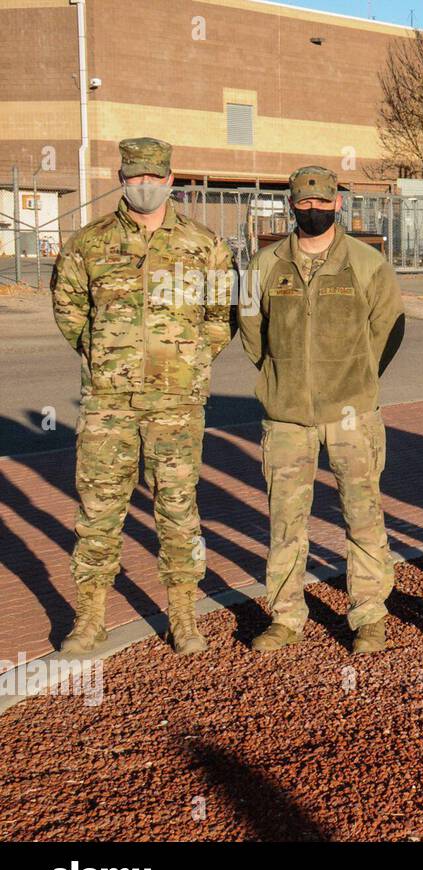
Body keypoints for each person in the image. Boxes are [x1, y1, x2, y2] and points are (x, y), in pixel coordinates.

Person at [52, 137, 235, 656]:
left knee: (179, 511)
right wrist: (102, 358)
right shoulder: (88, 243)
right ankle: (89, 620)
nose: (146, 186)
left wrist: (192, 365)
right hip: (108, 404)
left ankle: (183, 615)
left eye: (155, 177)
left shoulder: (203, 245)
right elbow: (69, 309)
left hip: (176, 406)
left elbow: (221, 319)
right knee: (98, 513)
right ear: (122, 177)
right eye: (136, 177)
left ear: (170, 179)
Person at [238, 166, 405, 654]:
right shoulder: (264, 265)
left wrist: (356, 377)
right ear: (291, 204)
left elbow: (387, 328)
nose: (312, 210)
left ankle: (369, 614)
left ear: (338, 204)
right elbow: (252, 332)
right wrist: (282, 374)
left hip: (352, 415)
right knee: (286, 520)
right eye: (303, 203)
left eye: (321, 202)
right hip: (287, 416)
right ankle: (286, 615)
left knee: (363, 514)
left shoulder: (366, 262)